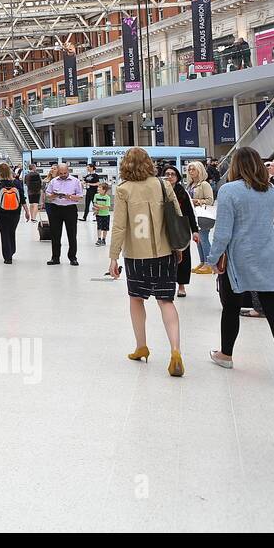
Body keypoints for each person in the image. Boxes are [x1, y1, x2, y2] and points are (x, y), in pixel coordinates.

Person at [205, 147, 274, 385]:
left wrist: (212, 259)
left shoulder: (228, 190)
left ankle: (226, 354)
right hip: (268, 254)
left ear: (235, 165)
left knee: (231, 308)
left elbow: (223, 232)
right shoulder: (271, 190)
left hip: (239, 258)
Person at [108, 146, 186, 378]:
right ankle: (175, 350)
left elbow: (120, 226)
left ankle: (141, 346)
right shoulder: (163, 185)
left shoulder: (123, 190)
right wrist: (179, 247)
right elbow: (177, 216)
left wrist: (113, 256)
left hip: (136, 255)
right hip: (164, 253)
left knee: (136, 299)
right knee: (166, 301)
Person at [161, 165, 200, 298]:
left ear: (177, 177)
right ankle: (167, 284)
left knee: (183, 257)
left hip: (180, 228)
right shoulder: (159, 191)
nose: (170, 176)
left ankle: (181, 285)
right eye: (167, 174)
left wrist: (194, 230)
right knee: (165, 256)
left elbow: (189, 212)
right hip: (163, 228)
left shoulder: (182, 192)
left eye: (173, 174)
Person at [44, 163, 84, 266]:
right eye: (60, 173)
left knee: (72, 234)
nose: (63, 175)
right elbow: (48, 195)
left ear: (68, 171)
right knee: (55, 234)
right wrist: (54, 195)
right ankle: (55, 257)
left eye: (65, 173)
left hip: (70, 209)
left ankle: (72, 257)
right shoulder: (53, 181)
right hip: (55, 209)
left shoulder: (76, 181)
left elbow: (80, 197)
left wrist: (69, 197)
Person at [0, 162, 27, 264]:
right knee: (12, 231)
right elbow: (22, 198)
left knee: (4, 232)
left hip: (1, 211)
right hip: (16, 211)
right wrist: (27, 211)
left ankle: (7, 256)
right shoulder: (16, 183)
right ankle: (12, 250)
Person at [186, 161, 216, 274]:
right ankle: (203, 261)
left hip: (203, 215)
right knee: (198, 239)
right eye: (189, 169)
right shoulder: (190, 184)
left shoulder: (204, 184)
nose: (191, 171)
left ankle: (209, 263)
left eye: (193, 169)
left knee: (203, 238)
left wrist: (196, 201)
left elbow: (210, 200)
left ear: (200, 170)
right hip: (193, 215)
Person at [92, 181, 112, 246]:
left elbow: (107, 207)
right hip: (98, 215)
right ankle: (99, 239)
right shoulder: (96, 195)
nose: (98, 188)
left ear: (104, 190)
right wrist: (97, 207)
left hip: (106, 215)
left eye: (100, 187)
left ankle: (104, 239)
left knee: (105, 228)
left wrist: (98, 206)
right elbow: (94, 203)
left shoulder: (107, 197)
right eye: (98, 187)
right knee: (99, 227)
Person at [24, 162, 43, 227]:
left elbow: (25, 183)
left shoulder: (27, 175)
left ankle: (32, 217)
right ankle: (34, 218)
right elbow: (41, 182)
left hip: (30, 191)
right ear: (34, 168)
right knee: (36, 204)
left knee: (31, 204)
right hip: (37, 191)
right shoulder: (37, 174)